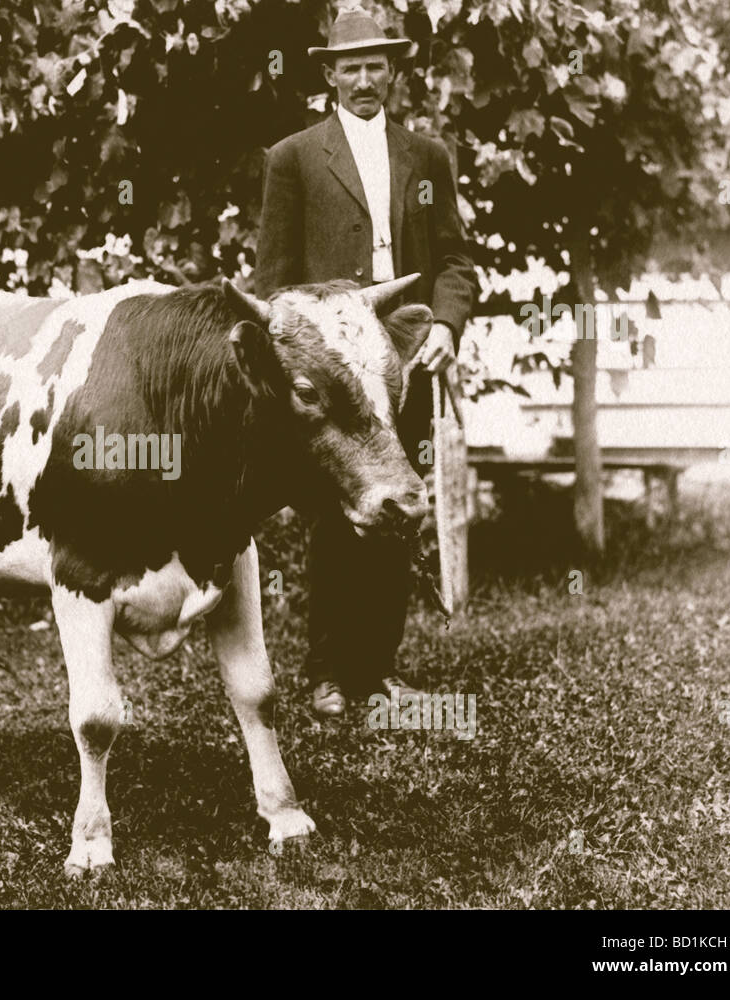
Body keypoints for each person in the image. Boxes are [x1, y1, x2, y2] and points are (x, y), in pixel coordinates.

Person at [254, 7, 477, 717]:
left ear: (394, 70)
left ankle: (378, 671)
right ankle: (325, 675)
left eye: (376, 64)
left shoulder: (427, 156)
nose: (365, 78)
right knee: (334, 516)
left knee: (399, 511)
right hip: (334, 376)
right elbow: (274, 282)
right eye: (351, 66)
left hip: (398, 364)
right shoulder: (292, 158)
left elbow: (454, 261)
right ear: (327, 74)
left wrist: (444, 325)